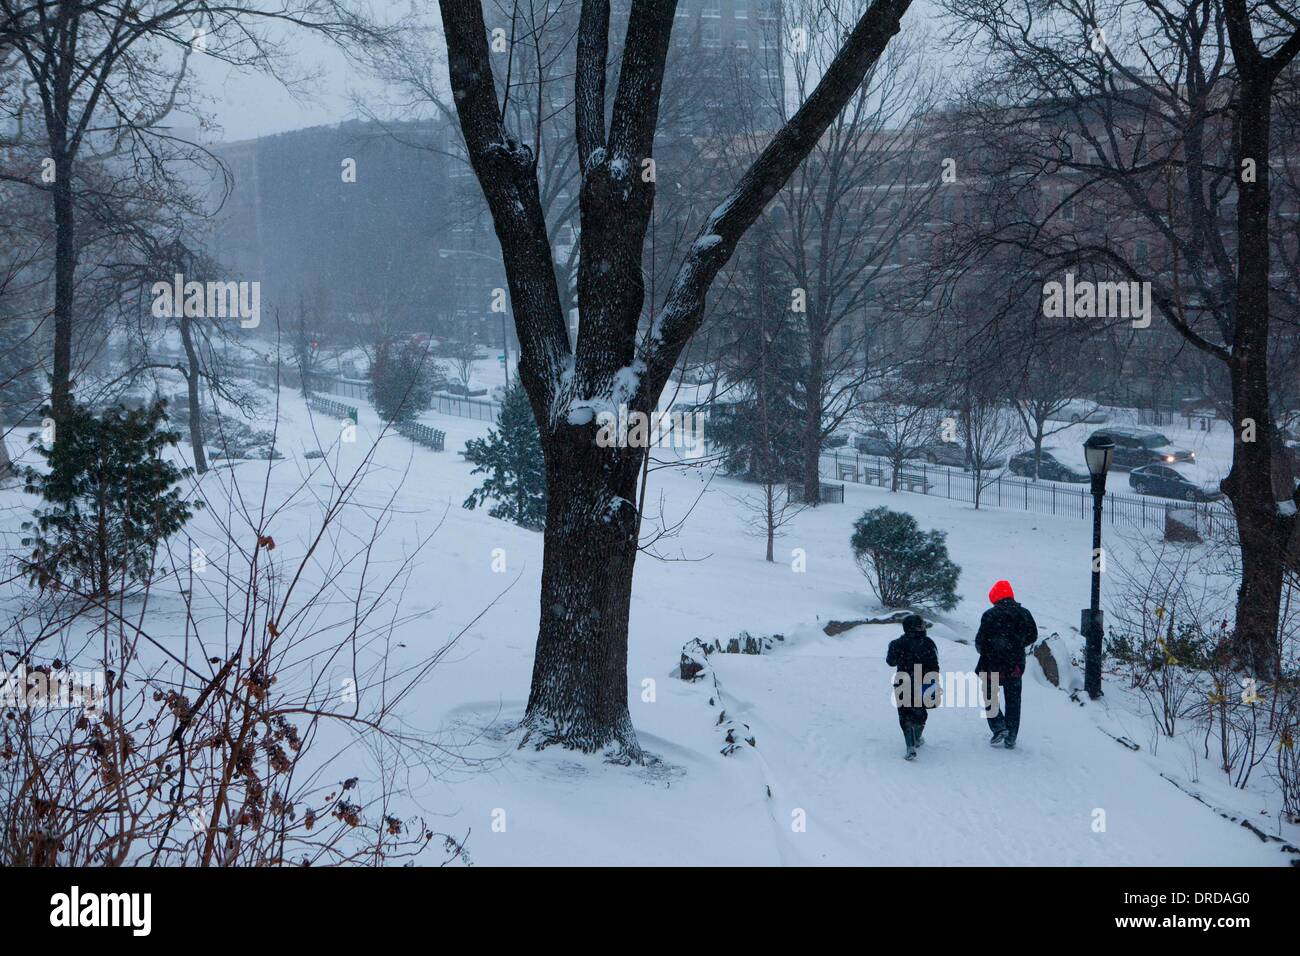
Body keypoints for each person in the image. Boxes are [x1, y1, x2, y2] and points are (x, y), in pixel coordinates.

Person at [975, 580, 1039, 749]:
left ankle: (998, 727)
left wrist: (989, 650)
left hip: (992, 664)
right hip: (1015, 665)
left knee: (989, 696)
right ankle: (1011, 736)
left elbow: (980, 641)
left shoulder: (989, 615)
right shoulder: (1024, 614)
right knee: (1013, 700)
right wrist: (1017, 645)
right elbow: (1033, 635)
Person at [886, 613, 941, 761]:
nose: (924, 627)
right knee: (920, 713)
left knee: (904, 714)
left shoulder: (897, 643)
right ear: (916, 627)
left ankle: (910, 745)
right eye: (921, 624)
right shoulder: (928, 643)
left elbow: (890, 661)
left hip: (903, 681)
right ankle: (916, 738)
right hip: (923, 682)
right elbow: (934, 666)